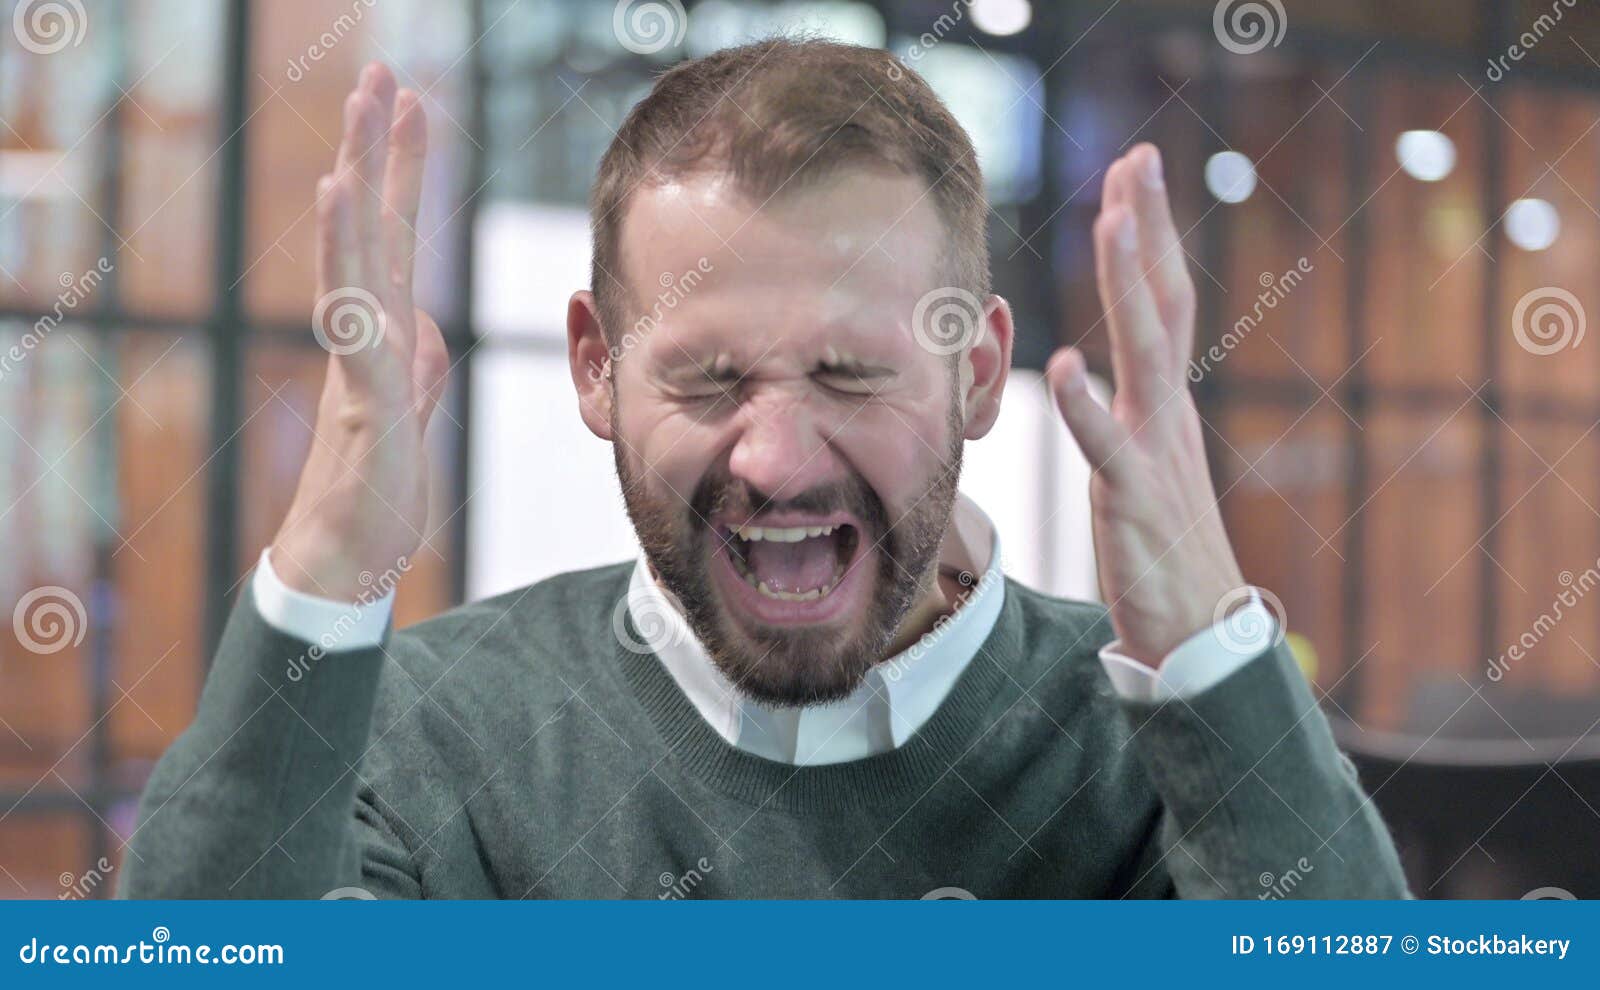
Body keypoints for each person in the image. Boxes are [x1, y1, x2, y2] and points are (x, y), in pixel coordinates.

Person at [121, 39, 1407, 899]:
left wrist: (1206, 654)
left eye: (850, 376)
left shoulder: (1155, 764)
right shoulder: (429, 736)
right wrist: (330, 563)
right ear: (594, 368)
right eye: (708, 379)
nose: (778, 461)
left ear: (973, 375)